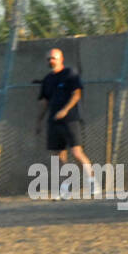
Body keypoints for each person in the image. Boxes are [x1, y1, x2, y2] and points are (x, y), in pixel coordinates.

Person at [36, 48, 97, 199]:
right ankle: (65, 189)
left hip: (70, 119)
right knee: (58, 156)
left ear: (61, 59)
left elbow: (76, 94)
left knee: (76, 152)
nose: (51, 61)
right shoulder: (47, 79)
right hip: (53, 121)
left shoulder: (70, 73)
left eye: (54, 58)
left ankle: (92, 183)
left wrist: (65, 110)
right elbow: (44, 102)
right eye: (49, 58)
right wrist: (39, 121)